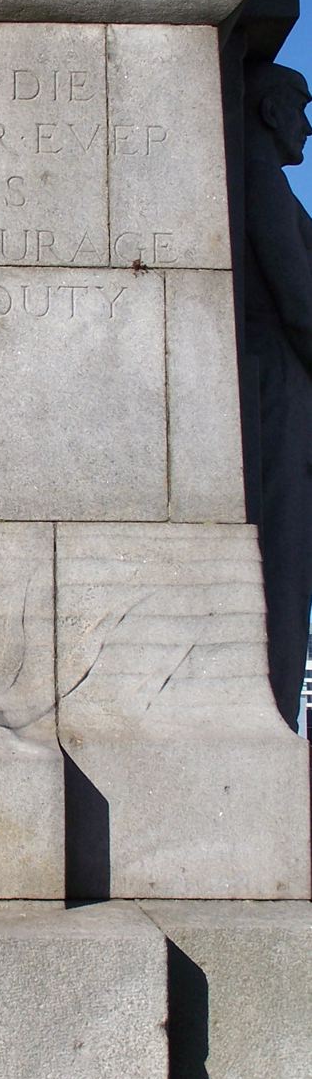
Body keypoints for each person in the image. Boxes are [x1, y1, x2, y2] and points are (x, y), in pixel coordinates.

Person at [243, 60, 312, 727]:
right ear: (268, 111)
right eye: (299, 106)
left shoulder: (260, 179)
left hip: (277, 377)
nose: (307, 124)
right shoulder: (258, 177)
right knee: (283, 568)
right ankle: (276, 718)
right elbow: (300, 301)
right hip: (277, 383)